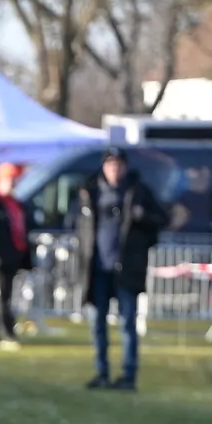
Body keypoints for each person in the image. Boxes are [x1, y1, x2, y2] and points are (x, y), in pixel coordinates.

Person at [70, 146, 163, 390]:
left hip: (126, 268)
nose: (115, 170)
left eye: (119, 165)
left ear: (126, 167)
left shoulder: (138, 192)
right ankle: (101, 372)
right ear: (104, 167)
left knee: (127, 324)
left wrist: (142, 218)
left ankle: (128, 375)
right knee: (97, 324)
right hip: (97, 268)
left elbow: (160, 221)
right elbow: (78, 226)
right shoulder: (89, 191)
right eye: (111, 165)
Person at [0, 162, 30, 350]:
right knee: (2, 296)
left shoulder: (14, 203)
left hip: (12, 258)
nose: (13, 184)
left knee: (3, 295)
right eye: (10, 179)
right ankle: (7, 333)